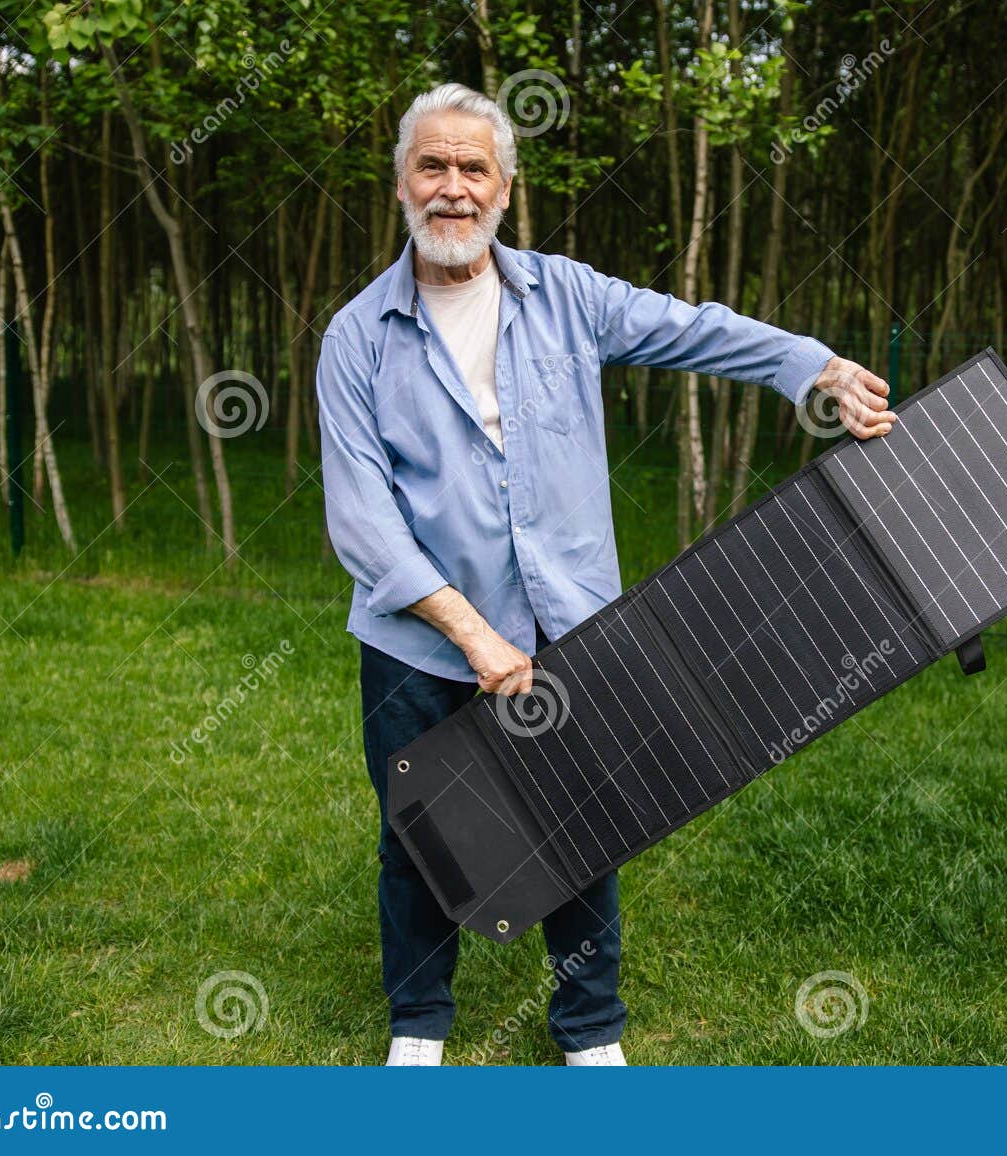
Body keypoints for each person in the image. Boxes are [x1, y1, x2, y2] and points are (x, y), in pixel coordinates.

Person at [317, 81, 896, 1067]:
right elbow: (364, 521)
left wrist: (813, 365)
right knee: (418, 840)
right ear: (400, 185)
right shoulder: (356, 338)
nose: (452, 188)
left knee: (581, 829)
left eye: (473, 168)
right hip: (419, 645)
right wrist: (470, 633)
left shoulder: (568, 296)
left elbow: (698, 327)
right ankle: (418, 1027)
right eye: (432, 166)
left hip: (566, 625)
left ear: (504, 189)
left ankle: (589, 1030)